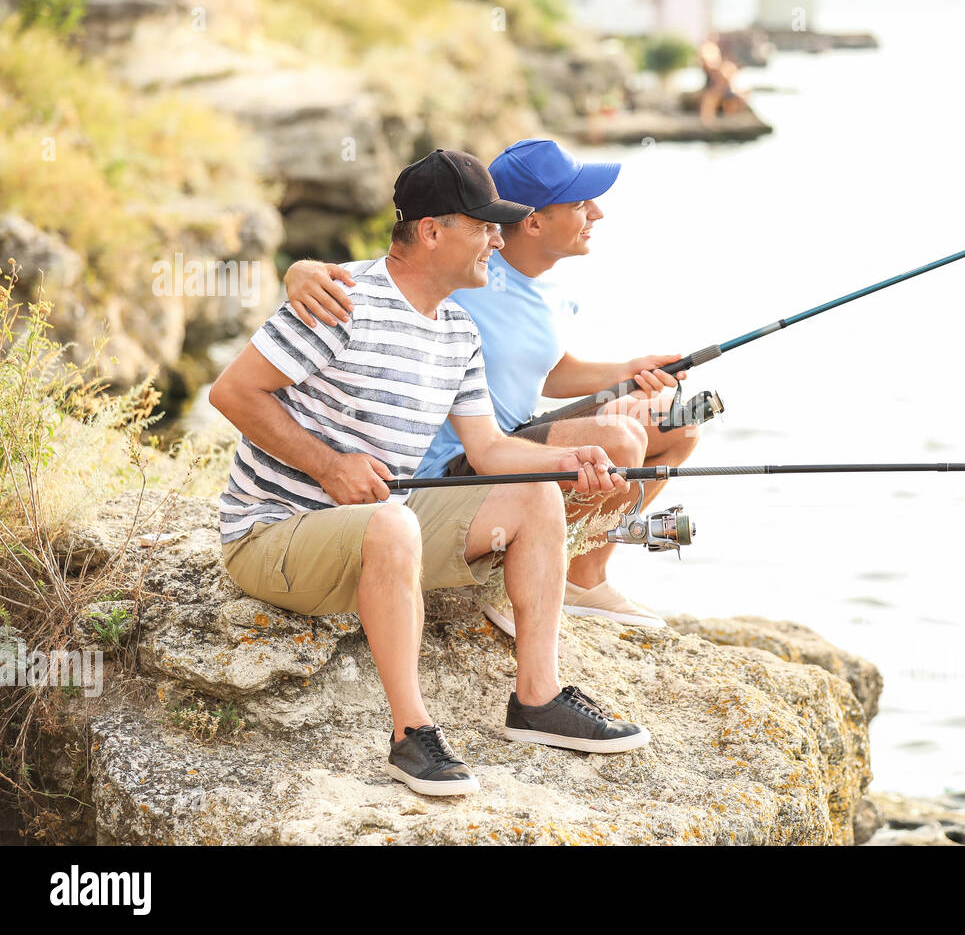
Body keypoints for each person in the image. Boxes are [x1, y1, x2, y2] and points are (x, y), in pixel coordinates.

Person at [210, 148, 651, 799]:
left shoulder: (457, 334)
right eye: (483, 226)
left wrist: (568, 461)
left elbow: (492, 451)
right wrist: (328, 466)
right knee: (393, 524)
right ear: (431, 231)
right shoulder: (341, 299)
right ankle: (411, 736)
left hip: (379, 536)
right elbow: (232, 393)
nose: (496, 241)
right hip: (273, 538)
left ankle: (538, 699)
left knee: (530, 495)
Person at [283, 139, 700, 633]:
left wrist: (625, 372)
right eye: (579, 204)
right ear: (534, 222)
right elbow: (393, 270)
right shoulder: (469, 268)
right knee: (618, 440)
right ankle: (506, 573)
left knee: (679, 419)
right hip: (461, 463)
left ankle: (582, 576)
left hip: (513, 434)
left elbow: (546, 369)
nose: (598, 213)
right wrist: (301, 271)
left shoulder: (551, 289)